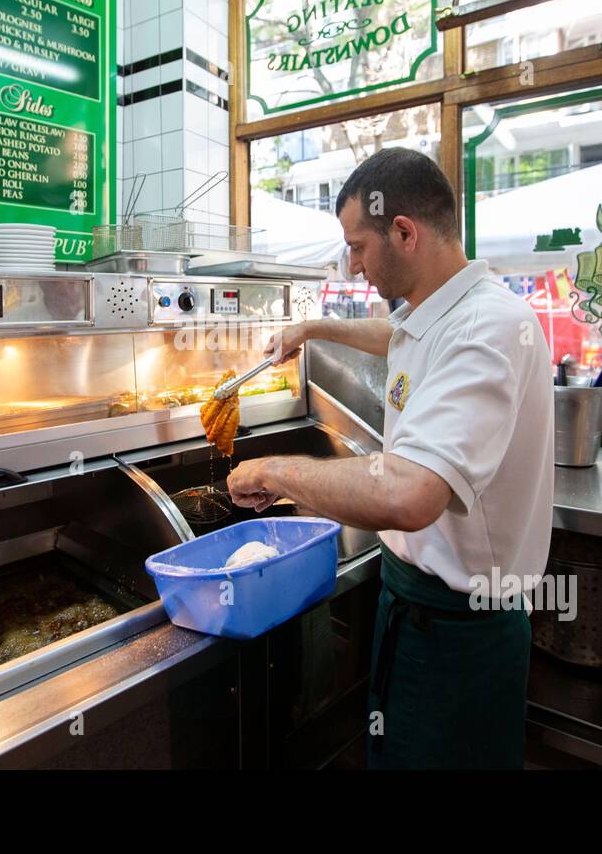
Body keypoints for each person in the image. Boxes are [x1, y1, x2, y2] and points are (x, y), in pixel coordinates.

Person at [225, 147, 554, 769]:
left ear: (404, 232)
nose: (352, 267)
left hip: (456, 629)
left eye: (358, 246)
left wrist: (274, 471)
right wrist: (314, 328)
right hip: (417, 609)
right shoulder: (446, 310)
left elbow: (407, 494)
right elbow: (396, 336)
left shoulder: (485, 329)